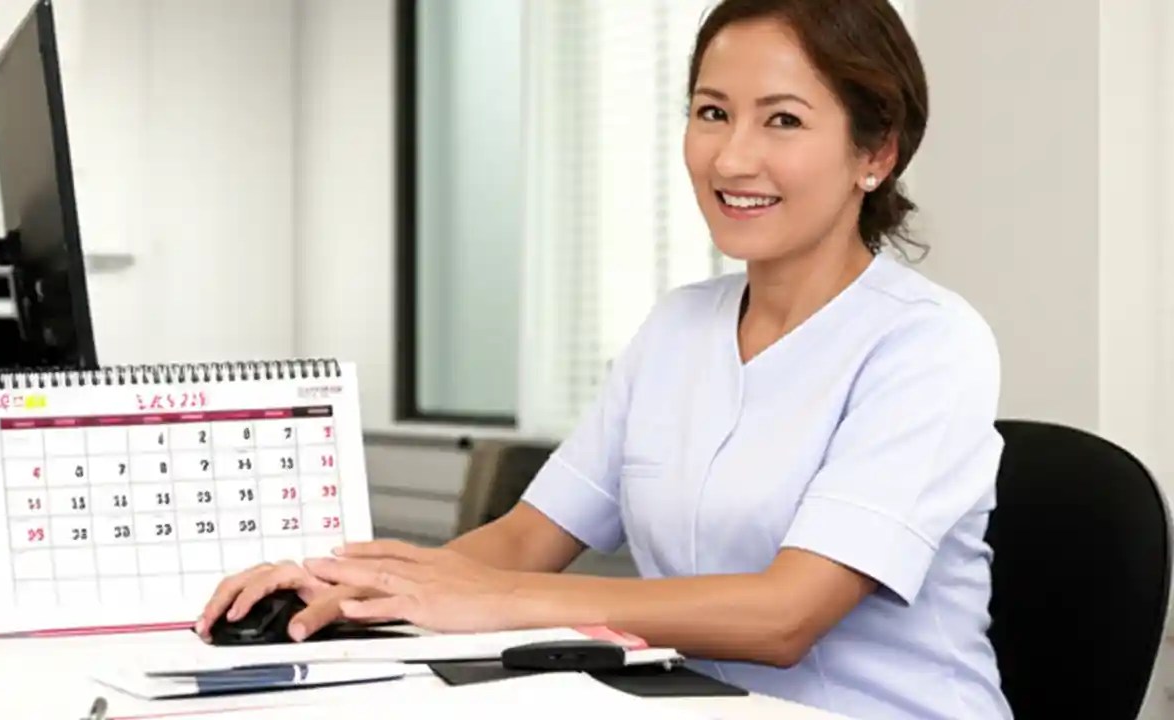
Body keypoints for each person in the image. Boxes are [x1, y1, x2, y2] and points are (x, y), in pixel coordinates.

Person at [196, 1, 1013, 717]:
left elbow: (784, 617)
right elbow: (523, 540)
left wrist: (497, 603)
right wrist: (343, 589)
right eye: (712, 112)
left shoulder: (928, 345)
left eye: (784, 120)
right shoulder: (677, 328)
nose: (731, 159)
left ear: (876, 155)